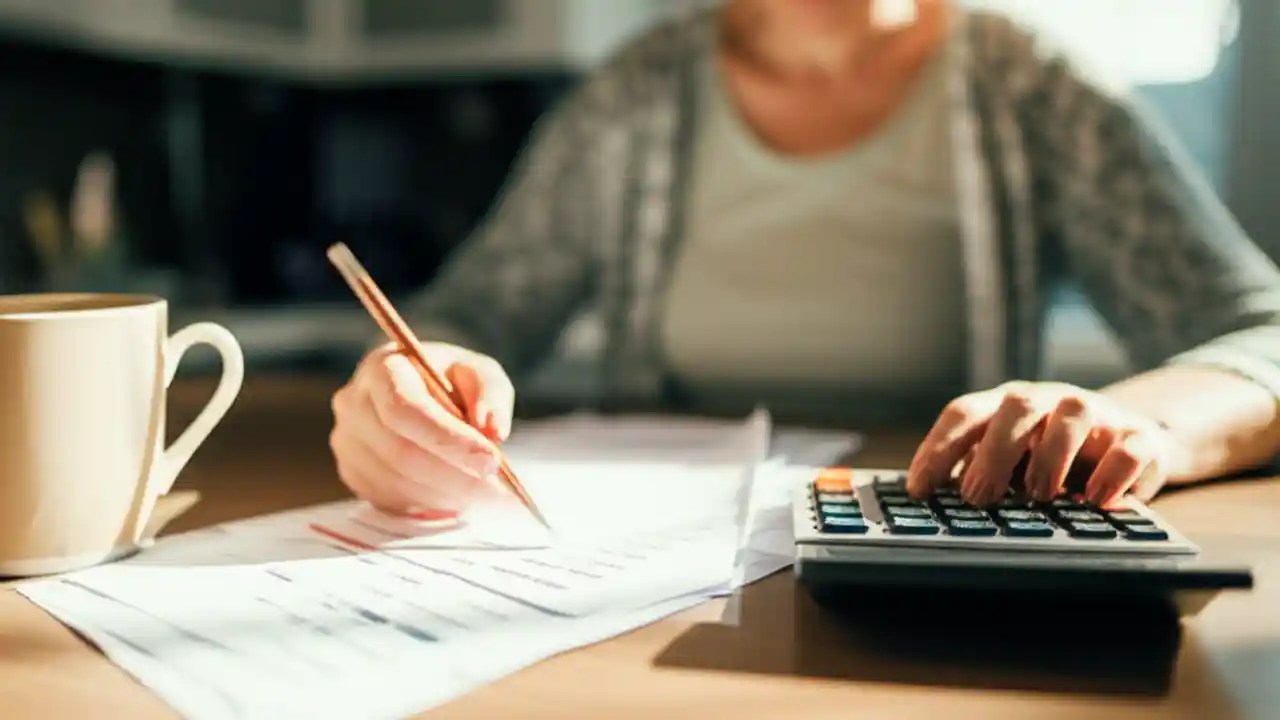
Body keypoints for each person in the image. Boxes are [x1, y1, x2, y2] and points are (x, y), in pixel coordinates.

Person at [329, 0, 1280, 517]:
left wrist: (1139, 420)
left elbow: (1262, 336)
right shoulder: (633, 94)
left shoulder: (1035, 86)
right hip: (650, 585)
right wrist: (407, 394)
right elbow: (467, 317)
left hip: (914, 570)